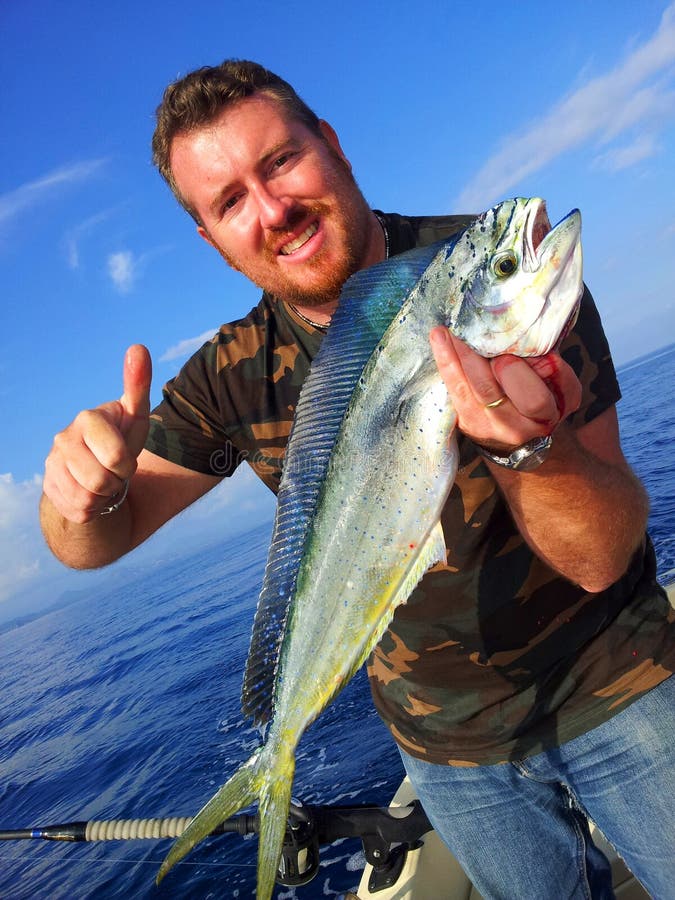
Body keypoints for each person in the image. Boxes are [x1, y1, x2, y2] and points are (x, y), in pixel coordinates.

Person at [40, 60, 674, 899]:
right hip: (445, 757)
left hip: (618, 688)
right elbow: (91, 544)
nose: (271, 211)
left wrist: (533, 450)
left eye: (279, 162)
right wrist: (79, 498)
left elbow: (600, 557)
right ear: (209, 238)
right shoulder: (229, 374)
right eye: (229, 201)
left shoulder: (485, 272)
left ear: (330, 144)